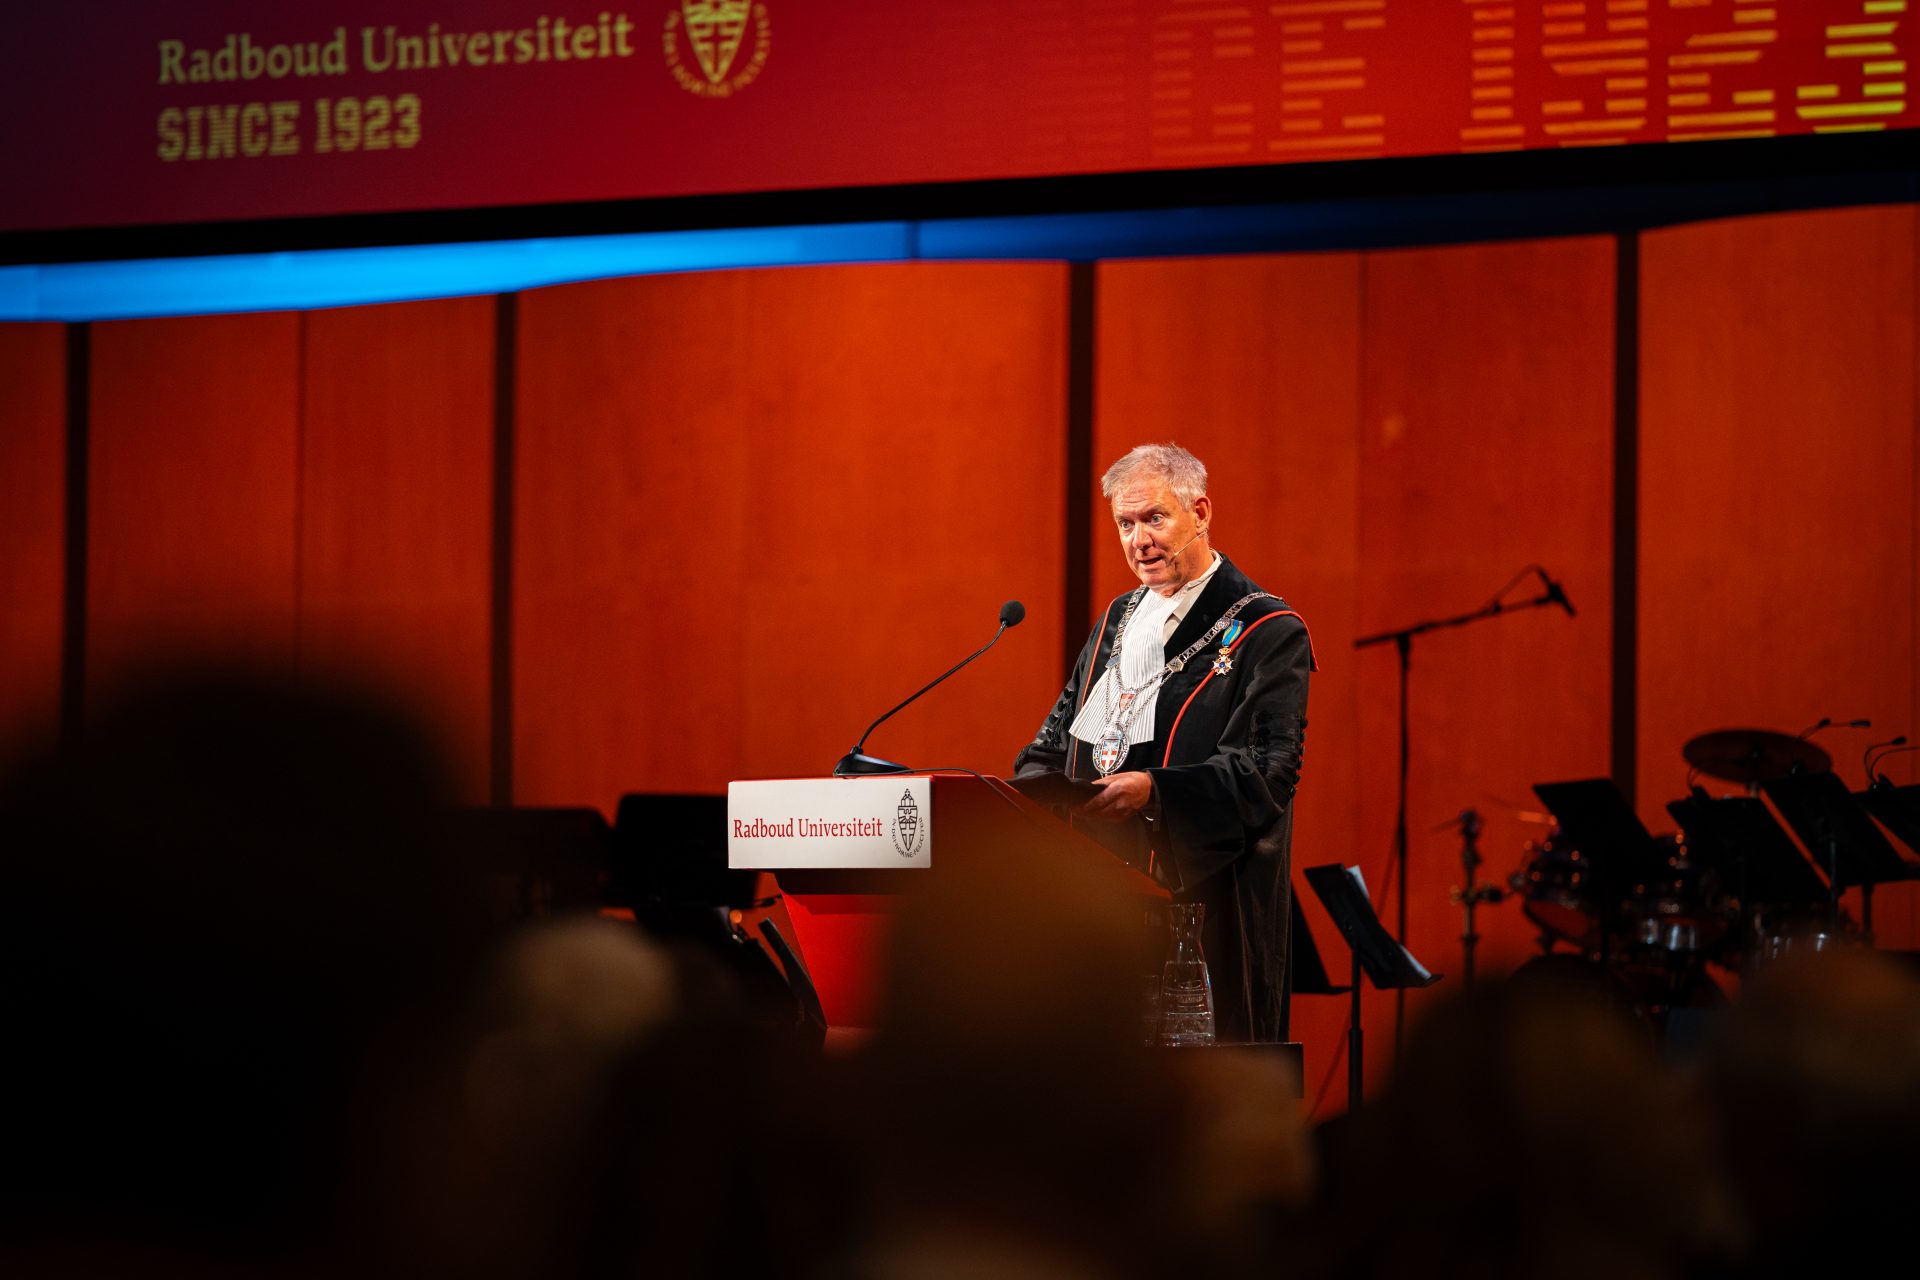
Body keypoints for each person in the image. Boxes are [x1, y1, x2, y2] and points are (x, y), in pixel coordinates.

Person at [1015, 443, 1314, 1043]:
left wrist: (1155, 791)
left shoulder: (1267, 629)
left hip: (1204, 908)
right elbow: (1050, 747)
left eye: (1155, 518)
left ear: (1200, 512)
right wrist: (1030, 793)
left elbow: (1266, 770)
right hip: (1099, 906)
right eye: (1126, 524)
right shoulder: (1116, 621)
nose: (1138, 540)